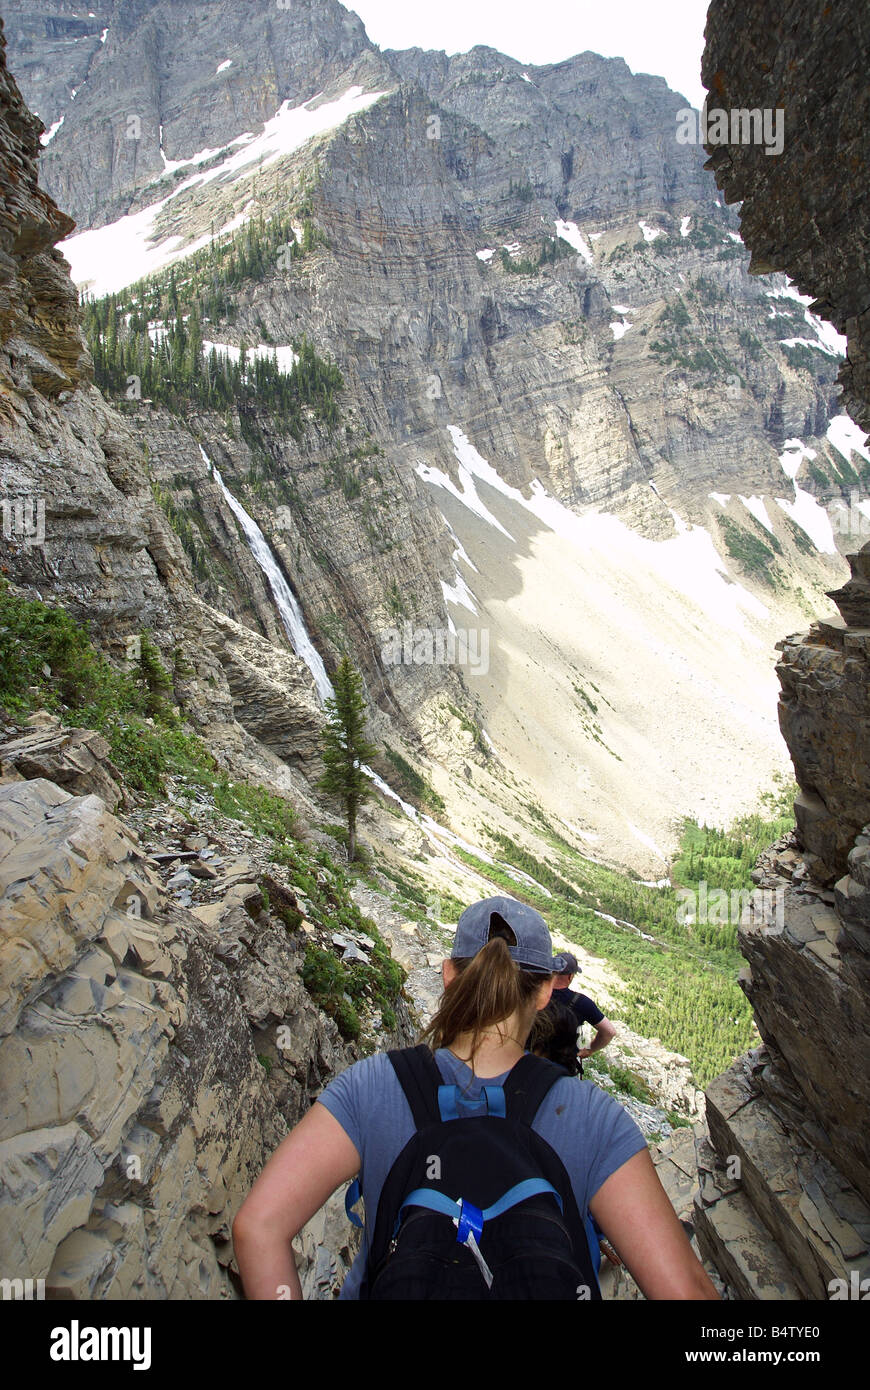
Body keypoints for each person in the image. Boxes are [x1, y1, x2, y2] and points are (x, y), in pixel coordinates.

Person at [232, 895, 719, 1300]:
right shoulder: (593, 1117)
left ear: (448, 975)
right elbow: (684, 1292)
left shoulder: (374, 1086)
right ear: (546, 991)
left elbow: (258, 1228)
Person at [536, 951, 616, 1076]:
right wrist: (589, 1050)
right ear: (570, 976)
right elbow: (609, 1032)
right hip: (561, 1068)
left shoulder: (534, 991)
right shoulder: (581, 1002)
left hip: (529, 1056)